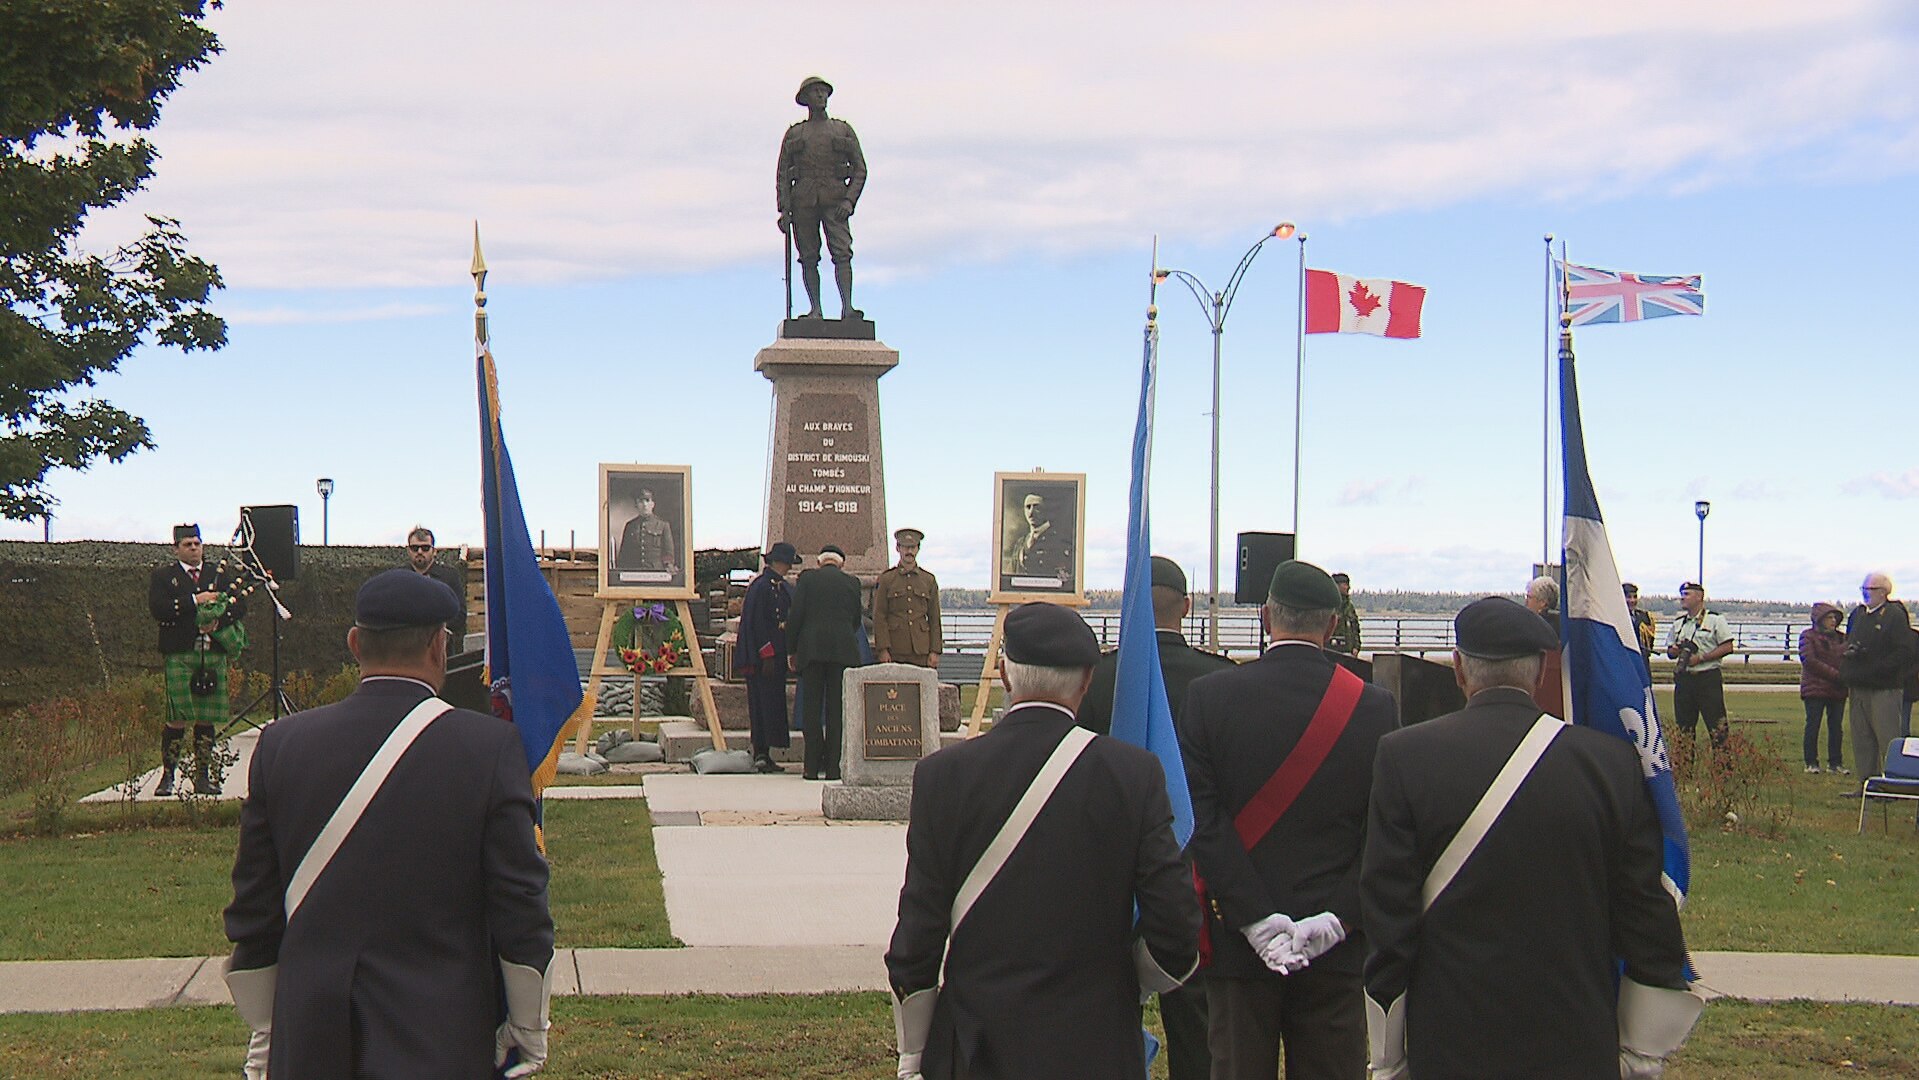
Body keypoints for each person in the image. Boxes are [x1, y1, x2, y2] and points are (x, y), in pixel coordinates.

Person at [222, 569, 554, 1080]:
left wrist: (268, 1028)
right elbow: (519, 904)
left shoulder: (281, 746)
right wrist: (529, 1026)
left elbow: (254, 913)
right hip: (439, 1039)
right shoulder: (489, 749)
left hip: (310, 1038)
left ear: (355, 644)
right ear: (440, 647)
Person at [1360, 597, 1695, 1080]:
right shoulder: (1611, 764)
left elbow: (1389, 918)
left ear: (1459, 668)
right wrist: (1644, 1050)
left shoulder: (1403, 757)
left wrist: (1388, 1058)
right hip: (1575, 1039)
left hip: (1452, 1041)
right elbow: (1644, 914)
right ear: (1540, 672)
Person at [885, 602, 1200, 1080]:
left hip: (978, 1045)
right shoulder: (1134, 775)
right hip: (1098, 1045)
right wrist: (1126, 984)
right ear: (1087, 681)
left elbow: (918, 935)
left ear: (1005, 674)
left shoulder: (943, 776)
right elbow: (1176, 928)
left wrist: (913, 1054)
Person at [1179, 559, 1400, 1080]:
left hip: (1237, 939)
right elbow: (1382, 829)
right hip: (1333, 949)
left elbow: (1201, 820)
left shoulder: (1209, 697)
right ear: (1332, 624)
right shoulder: (1375, 708)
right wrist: (1337, 919)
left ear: (1265, 616)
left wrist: (1254, 920)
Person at [1076, 555, 1232, 1080]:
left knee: (1106, 1008)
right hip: (1196, 869)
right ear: (1187, 607)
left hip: (1108, 869)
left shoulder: (1098, 679)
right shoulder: (1221, 678)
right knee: (1195, 1018)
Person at [147, 523, 248, 796]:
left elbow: (239, 605)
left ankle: (202, 778)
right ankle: (168, 777)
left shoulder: (218, 574)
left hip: (212, 652)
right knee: (177, 718)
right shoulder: (164, 577)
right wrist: (195, 600)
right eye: (187, 544)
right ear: (176, 549)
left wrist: (218, 622)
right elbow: (159, 609)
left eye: (197, 543)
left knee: (206, 719)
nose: (194, 548)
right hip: (180, 653)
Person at [776, 75, 867, 321]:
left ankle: (847, 308)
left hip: (835, 202)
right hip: (803, 203)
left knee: (842, 253)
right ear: (805, 99)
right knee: (808, 257)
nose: (820, 95)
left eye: (823, 91)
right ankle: (815, 309)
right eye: (814, 92)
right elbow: (783, 175)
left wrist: (849, 201)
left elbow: (860, 170)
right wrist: (784, 210)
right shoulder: (795, 134)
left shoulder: (842, 130)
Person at [787, 544, 863, 781]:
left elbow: (795, 616)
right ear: (841, 563)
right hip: (843, 652)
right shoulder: (852, 583)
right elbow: (855, 620)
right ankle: (833, 767)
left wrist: (792, 650)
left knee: (811, 709)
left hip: (812, 651)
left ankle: (811, 767)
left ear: (819, 562)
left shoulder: (807, 580)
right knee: (836, 710)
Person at [1841, 572, 1914, 793]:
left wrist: (1879, 666)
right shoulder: (1858, 615)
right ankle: (1867, 784)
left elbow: (1905, 650)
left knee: (1887, 736)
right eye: (1863, 589)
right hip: (1859, 685)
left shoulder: (1894, 615)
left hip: (1884, 687)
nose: (1866, 594)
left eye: (1870, 590)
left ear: (1883, 592)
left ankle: (1893, 784)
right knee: (1861, 738)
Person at [736, 542, 797, 774]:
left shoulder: (783, 587)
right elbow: (757, 623)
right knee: (761, 703)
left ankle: (768, 750)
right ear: (779, 562)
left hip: (779, 655)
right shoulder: (760, 587)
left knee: (773, 704)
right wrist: (766, 652)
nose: (789, 567)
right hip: (763, 659)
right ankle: (760, 750)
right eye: (788, 562)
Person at [1666, 582, 1736, 758]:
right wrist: (1675, 650)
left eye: (1687, 594)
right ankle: (1684, 768)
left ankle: (1723, 768)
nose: (1682, 598)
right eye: (1682, 594)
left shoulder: (1715, 620)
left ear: (1699, 597)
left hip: (1707, 679)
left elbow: (1727, 646)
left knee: (1717, 727)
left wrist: (1702, 658)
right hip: (1685, 680)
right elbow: (1670, 652)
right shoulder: (1679, 623)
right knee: (1684, 728)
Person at [873, 527, 942, 670]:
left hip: (921, 650)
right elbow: (879, 615)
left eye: (913, 547)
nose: (909, 551)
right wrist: (883, 649)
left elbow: (934, 617)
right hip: (895, 649)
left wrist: (935, 650)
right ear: (898, 548)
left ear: (918, 549)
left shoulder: (928, 580)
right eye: (905, 547)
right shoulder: (887, 579)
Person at [1798, 602, 1848, 775]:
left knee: (1836, 727)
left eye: (1835, 617)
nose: (1833, 621)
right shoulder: (1808, 636)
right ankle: (1811, 762)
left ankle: (1835, 763)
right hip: (1815, 688)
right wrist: (1837, 675)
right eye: (1829, 617)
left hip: (1838, 688)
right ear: (1819, 619)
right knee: (1813, 725)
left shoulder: (1843, 638)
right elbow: (1810, 661)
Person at [404, 526, 468, 645]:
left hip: (441, 645)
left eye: (425, 548)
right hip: (406, 645)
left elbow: (460, 613)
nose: (419, 552)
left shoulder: (449, 576)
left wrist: (436, 629)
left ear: (434, 551)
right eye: (415, 548)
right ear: (408, 551)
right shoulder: (399, 577)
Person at [1004, 491, 1072, 581]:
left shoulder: (1058, 541)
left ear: (1046, 510)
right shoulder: (1020, 543)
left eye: (1036, 507)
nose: (1031, 512)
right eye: (1028, 507)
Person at [1523, 575, 1565, 720]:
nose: (1526, 601)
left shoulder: (1534, 628)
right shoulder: (1564, 625)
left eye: (1529, 597)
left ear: (1543, 603)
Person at [614, 488, 678, 575]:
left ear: (652, 504)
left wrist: (668, 566)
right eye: (641, 501)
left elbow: (668, 553)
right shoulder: (630, 526)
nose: (644, 505)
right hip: (634, 573)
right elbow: (624, 555)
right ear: (636, 505)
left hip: (656, 573)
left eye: (647, 501)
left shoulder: (663, 525)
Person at [1624, 583, 1656, 670]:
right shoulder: (1616, 618)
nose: (1632, 600)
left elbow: (1650, 643)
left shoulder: (1645, 617)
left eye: (1635, 597)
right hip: (1624, 662)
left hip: (1642, 662)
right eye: (1628, 597)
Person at [1328, 572, 1361, 655]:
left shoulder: (1349, 606)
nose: (1348, 587)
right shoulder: (1328, 605)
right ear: (1337, 586)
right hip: (1331, 650)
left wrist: (1356, 646)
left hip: (1349, 651)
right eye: (1345, 584)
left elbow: (1355, 628)